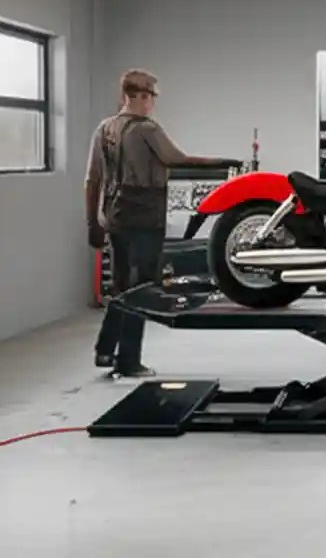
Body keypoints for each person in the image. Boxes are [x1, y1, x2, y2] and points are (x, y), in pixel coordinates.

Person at [85, 69, 231, 376]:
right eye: (152, 96)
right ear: (139, 96)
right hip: (145, 216)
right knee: (142, 289)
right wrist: (224, 162)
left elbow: (92, 179)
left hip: (116, 216)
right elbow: (177, 159)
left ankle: (104, 350)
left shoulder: (105, 129)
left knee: (122, 287)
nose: (153, 102)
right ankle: (128, 361)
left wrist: (92, 224)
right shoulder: (146, 129)